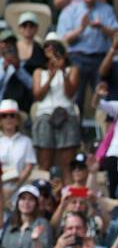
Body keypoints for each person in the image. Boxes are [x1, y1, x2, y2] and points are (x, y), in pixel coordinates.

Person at [31, 38, 81, 181]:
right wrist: (51, 77)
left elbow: (70, 93)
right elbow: (38, 95)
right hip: (45, 116)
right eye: (47, 49)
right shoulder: (39, 72)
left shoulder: (72, 70)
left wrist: (63, 72)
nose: (52, 54)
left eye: (55, 50)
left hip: (67, 115)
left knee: (67, 165)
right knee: (45, 163)